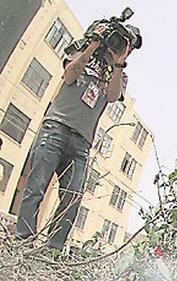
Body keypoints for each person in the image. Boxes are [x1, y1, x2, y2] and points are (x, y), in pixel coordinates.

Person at [15, 22, 139, 251]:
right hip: (56, 128)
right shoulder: (83, 49)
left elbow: (112, 97)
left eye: (128, 46)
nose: (123, 47)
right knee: (36, 187)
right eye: (120, 41)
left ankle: (52, 250)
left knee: (72, 199)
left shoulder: (120, 75)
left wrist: (119, 61)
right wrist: (94, 44)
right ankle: (23, 243)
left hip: (82, 143)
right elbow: (69, 75)